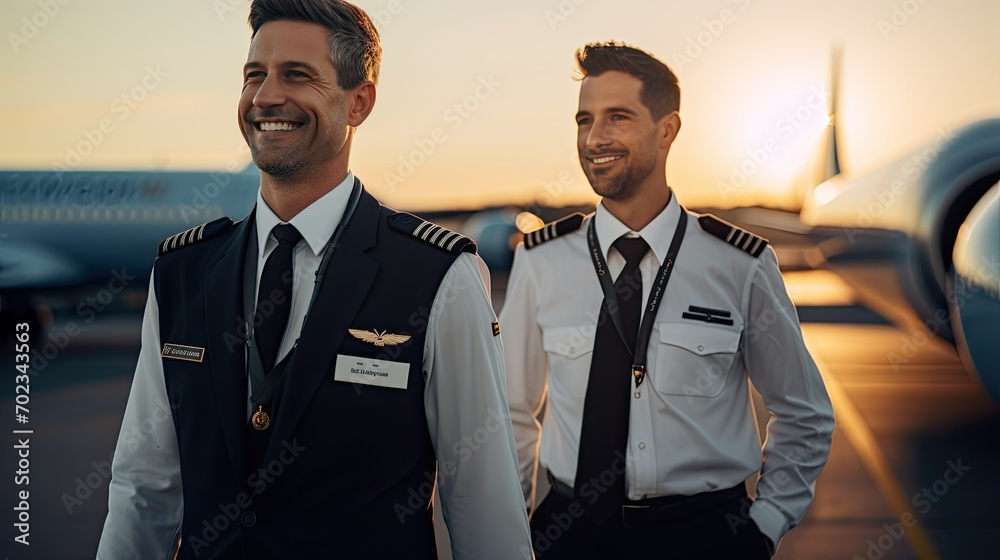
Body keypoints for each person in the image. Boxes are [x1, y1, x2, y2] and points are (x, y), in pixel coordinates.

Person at [96, 1, 531, 558]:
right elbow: (144, 487)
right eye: (255, 75)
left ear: (359, 102)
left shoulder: (439, 276)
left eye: (297, 75)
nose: (265, 96)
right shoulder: (182, 273)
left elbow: (483, 503)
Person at [500, 41, 835, 559]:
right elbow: (511, 414)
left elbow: (804, 413)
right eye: (584, 120)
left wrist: (763, 528)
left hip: (706, 536)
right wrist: (512, 537)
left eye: (617, 117)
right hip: (570, 533)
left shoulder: (739, 263)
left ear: (667, 130)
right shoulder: (541, 260)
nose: (594, 138)